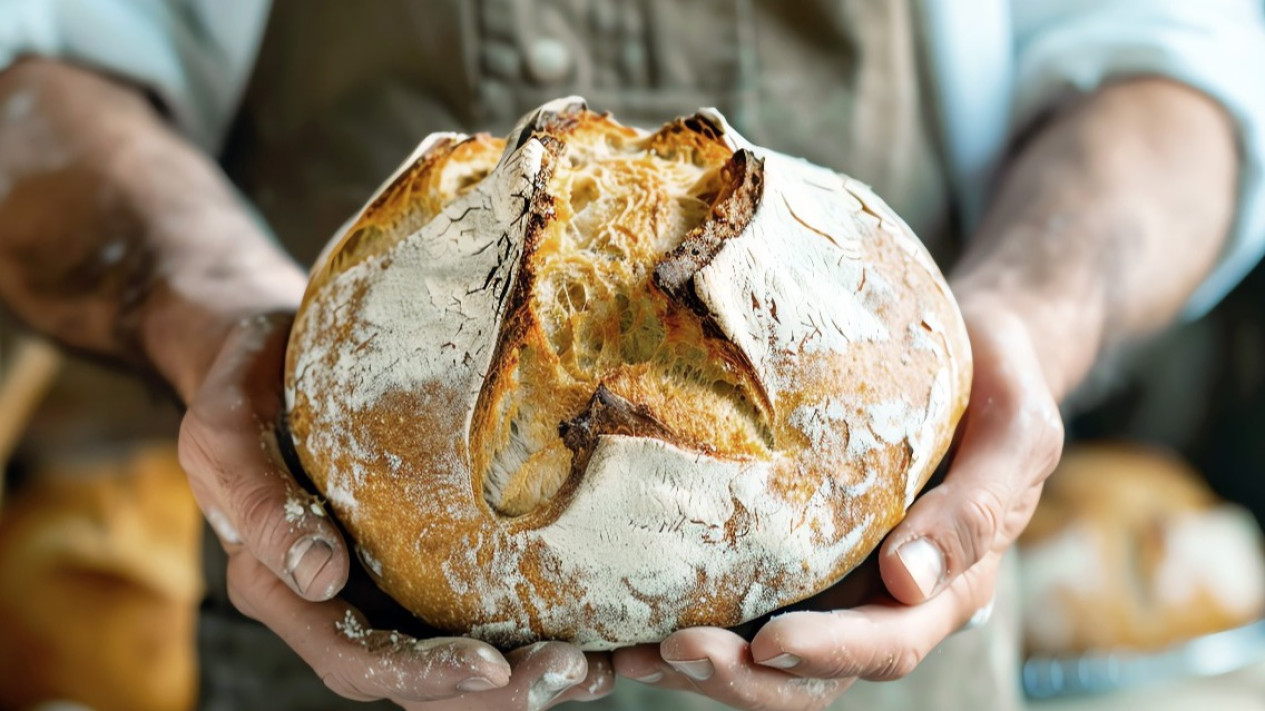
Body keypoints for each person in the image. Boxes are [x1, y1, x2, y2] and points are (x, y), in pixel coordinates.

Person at [1, 1, 1264, 709]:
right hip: (330, 637)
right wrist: (217, 310)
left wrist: (1025, 322)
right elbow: (36, 63)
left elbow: (1180, 55)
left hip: (894, 646)